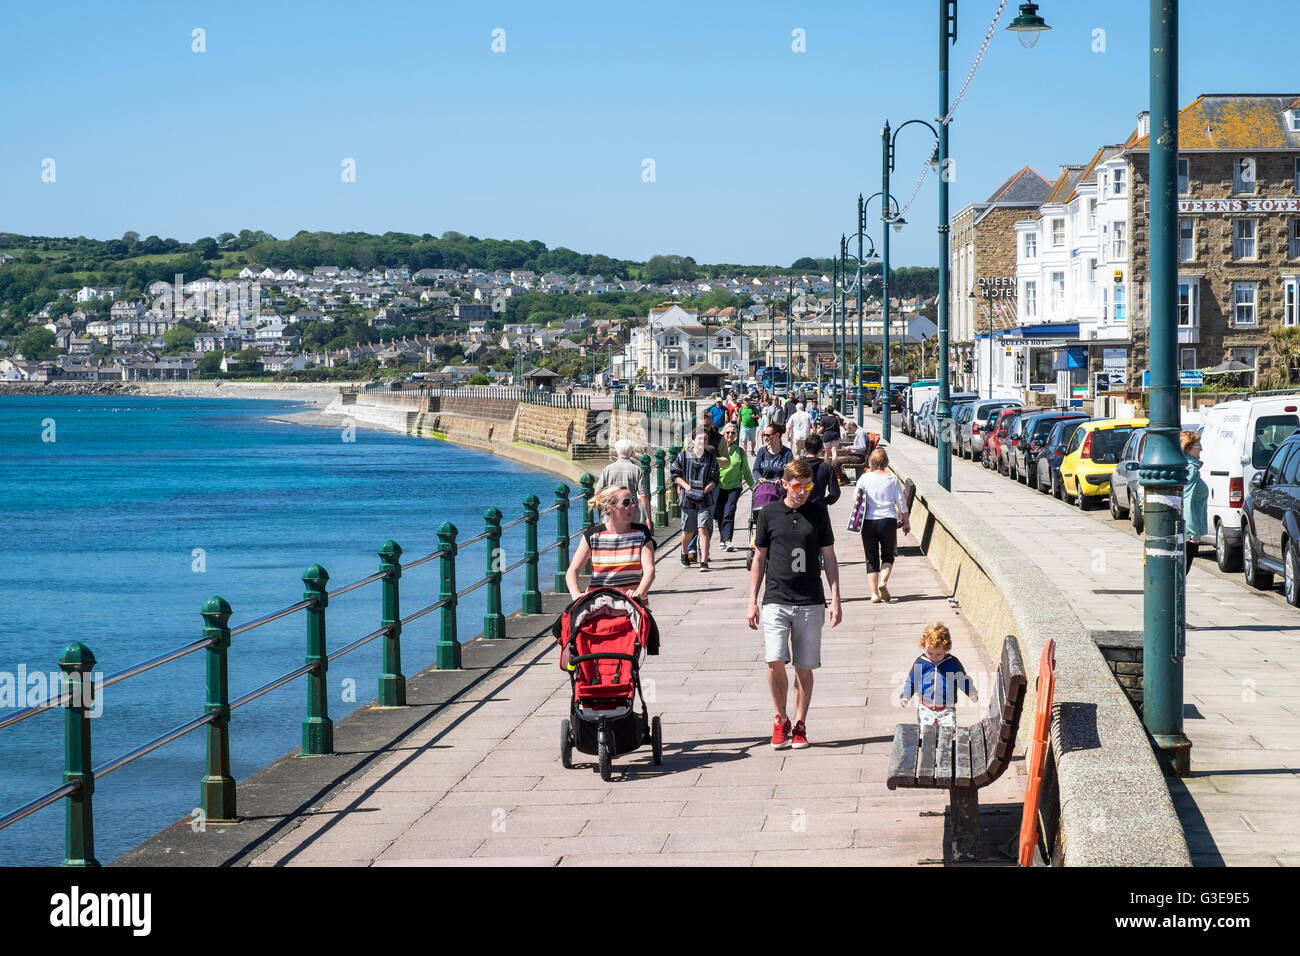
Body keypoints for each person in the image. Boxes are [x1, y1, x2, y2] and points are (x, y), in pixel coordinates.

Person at [747, 459, 842, 749]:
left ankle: (800, 723)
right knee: (774, 660)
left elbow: (829, 557)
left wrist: (835, 598)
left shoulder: (818, 513)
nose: (802, 492)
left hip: (810, 601)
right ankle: (780, 718)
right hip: (776, 598)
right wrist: (752, 600)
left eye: (808, 487)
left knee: (804, 666)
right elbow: (759, 558)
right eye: (797, 486)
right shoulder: (768, 514)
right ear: (784, 484)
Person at [854, 447, 909, 603]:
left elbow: (855, 498)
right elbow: (901, 503)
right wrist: (906, 522)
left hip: (868, 522)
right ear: (886, 463)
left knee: (871, 558)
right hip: (888, 521)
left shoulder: (865, 478)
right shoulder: (892, 479)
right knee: (887, 555)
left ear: (871, 461)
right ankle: (883, 582)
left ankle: (873, 594)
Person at [898, 622, 978, 729]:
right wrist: (906, 696)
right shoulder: (921, 662)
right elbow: (912, 681)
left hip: (947, 709)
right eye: (930, 653)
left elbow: (963, 680)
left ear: (946, 648)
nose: (934, 657)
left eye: (938, 654)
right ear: (924, 646)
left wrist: (971, 692)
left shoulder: (952, 663)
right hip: (925, 708)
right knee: (925, 735)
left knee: (948, 736)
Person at [672, 429, 721, 570]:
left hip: (705, 499)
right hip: (688, 499)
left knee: (703, 529)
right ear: (693, 440)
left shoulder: (710, 458)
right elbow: (675, 474)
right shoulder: (683, 456)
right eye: (699, 439)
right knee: (688, 530)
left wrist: (706, 489)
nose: (702, 442)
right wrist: (685, 486)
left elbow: (715, 477)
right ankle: (684, 552)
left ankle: (703, 560)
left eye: (705, 439)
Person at [714, 422, 755, 551]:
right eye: (728, 432)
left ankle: (727, 540)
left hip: (735, 487)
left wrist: (754, 486)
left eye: (733, 432)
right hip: (719, 487)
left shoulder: (740, 451)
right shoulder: (717, 450)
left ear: (736, 435)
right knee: (719, 514)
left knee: (729, 512)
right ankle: (723, 538)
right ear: (723, 434)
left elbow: (746, 471)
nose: (730, 434)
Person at [595, 438, 652, 525]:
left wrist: (601, 514)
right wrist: (648, 518)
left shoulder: (607, 469)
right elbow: (643, 496)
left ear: (617, 453)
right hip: (631, 513)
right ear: (632, 453)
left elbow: (597, 493)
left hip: (612, 513)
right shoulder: (637, 470)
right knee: (631, 537)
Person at [1182, 429, 1208, 572]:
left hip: (1187, 532)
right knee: (1182, 573)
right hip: (1189, 534)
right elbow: (1187, 500)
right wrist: (1192, 533)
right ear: (1189, 449)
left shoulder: (1188, 467)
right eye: (1199, 446)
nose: (1201, 450)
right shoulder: (1191, 469)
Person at [801, 434, 840, 507]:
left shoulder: (797, 466)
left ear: (805, 449)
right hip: (819, 507)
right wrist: (824, 502)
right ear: (821, 450)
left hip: (800, 507)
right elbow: (835, 493)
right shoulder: (827, 467)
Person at [754, 422, 794, 490]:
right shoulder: (761, 451)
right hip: (764, 489)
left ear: (777, 435)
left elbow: (791, 472)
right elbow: (756, 470)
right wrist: (759, 478)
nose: (765, 438)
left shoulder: (787, 453)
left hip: (780, 490)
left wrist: (782, 480)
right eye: (764, 435)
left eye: (768, 435)